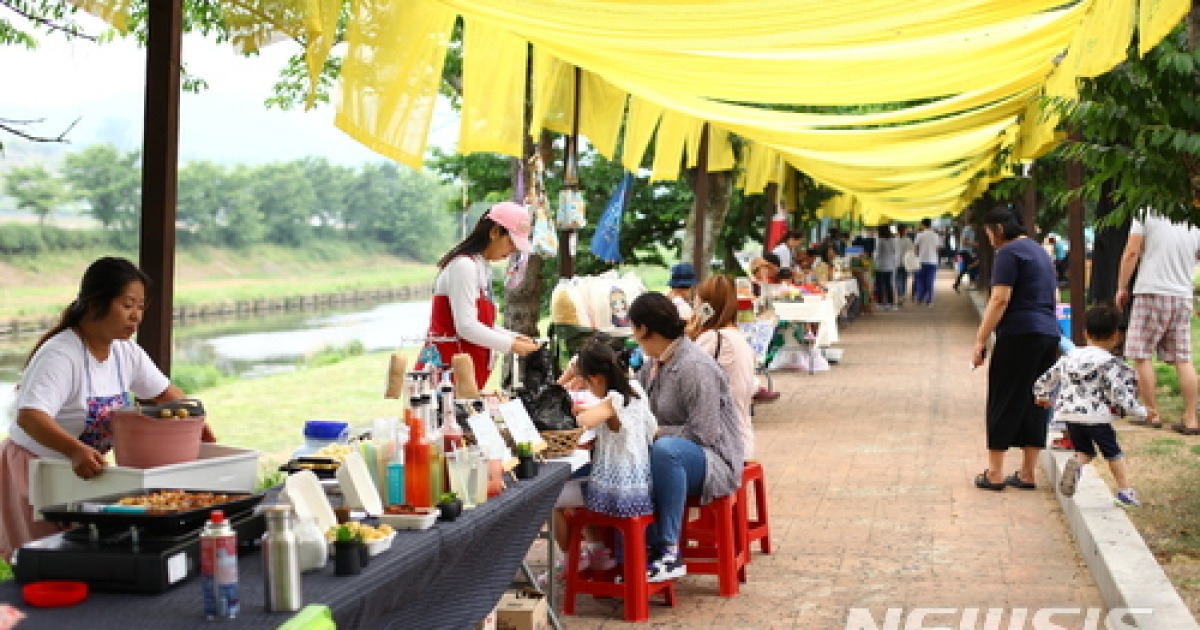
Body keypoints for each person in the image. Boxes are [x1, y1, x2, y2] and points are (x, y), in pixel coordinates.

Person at [1, 257, 207, 561]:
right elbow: (31, 417)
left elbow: (167, 395)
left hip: (83, 470)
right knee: (48, 563)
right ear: (96, 304)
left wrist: (196, 424)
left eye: (140, 306)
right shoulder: (61, 354)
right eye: (127, 305)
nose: (136, 316)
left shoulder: (126, 352)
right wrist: (74, 450)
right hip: (36, 470)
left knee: (88, 558)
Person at [628, 293, 743, 582]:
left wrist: (657, 433)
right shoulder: (653, 363)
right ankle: (626, 552)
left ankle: (667, 550)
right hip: (673, 455)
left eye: (633, 328)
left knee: (666, 451)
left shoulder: (694, 367)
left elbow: (704, 432)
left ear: (644, 330)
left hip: (713, 457)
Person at [550, 337, 657, 575]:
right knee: (577, 484)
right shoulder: (635, 391)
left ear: (596, 379)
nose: (588, 389)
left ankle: (572, 559)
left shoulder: (613, 401)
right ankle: (597, 551)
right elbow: (647, 427)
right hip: (639, 486)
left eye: (587, 384)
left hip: (616, 492)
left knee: (548, 498)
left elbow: (582, 423)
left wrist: (569, 416)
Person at [971, 207, 1059, 491]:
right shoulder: (1038, 251)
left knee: (1003, 397)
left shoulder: (1008, 253)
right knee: (1037, 400)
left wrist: (981, 339)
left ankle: (994, 473)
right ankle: (1027, 473)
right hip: (1048, 334)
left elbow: (1000, 299)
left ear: (997, 229)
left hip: (1019, 333)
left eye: (988, 233)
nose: (989, 239)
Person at [1033, 304, 1147, 507]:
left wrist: (1041, 394)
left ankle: (1076, 464)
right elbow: (1119, 393)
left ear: (1086, 333)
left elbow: (1048, 377)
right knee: (1113, 453)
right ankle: (1124, 491)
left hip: (1070, 416)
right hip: (1097, 417)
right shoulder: (1109, 362)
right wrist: (1140, 410)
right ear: (1116, 336)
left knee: (1085, 450)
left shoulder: (1071, 356)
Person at [425, 201, 540, 390]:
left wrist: (516, 337)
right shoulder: (464, 266)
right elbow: (466, 326)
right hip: (446, 374)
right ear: (494, 232)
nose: (513, 250)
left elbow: (483, 324)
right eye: (511, 242)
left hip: (464, 373)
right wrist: (511, 345)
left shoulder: (481, 267)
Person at [1115, 210, 1200, 434]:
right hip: (1182, 294)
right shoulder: (1193, 216)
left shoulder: (1145, 212)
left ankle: (1152, 414)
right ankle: (1191, 419)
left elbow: (1132, 251)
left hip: (1151, 290)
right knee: (1183, 359)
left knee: (1141, 354)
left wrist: (1122, 287)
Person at [687, 276, 762, 449]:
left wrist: (689, 339)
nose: (694, 309)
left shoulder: (713, 339)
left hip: (723, 442)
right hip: (741, 437)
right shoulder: (737, 337)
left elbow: (684, 374)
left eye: (697, 303)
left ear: (707, 307)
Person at [912, 218, 941, 306]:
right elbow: (937, 248)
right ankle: (929, 301)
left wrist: (917, 255)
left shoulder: (919, 235)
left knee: (920, 280)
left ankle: (919, 298)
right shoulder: (936, 235)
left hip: (921, 261)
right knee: (930, 281)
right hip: (932, 262)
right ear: (930, 224)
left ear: (923, 225)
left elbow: (916, 248)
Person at [872, 225, 897, 311]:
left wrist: (873, 256)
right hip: (890, 266)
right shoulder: (892, 240)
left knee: (879, 285)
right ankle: (890, 303)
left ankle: (880, 303)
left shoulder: (880, 240)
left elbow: (877, 254)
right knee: (888, 285)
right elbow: (894, 251)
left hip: (880, 266)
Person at [953, 219, 978, 292]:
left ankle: (957, 284)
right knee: (972, 265)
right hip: (964, 251)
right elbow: (963, 241)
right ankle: (972, 284)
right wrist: (974, 244)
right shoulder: (967, 229)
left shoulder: (972, 230)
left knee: (966, 268)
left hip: (967, 252)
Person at [894, 224, 915, 305]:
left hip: (897, 262)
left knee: (898, 280)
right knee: (904, 280)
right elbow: (912, 251)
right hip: (906, 263)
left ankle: (900, 296)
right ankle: (902, 295)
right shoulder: (908, 240)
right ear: (904, 230)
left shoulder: (895, 240)